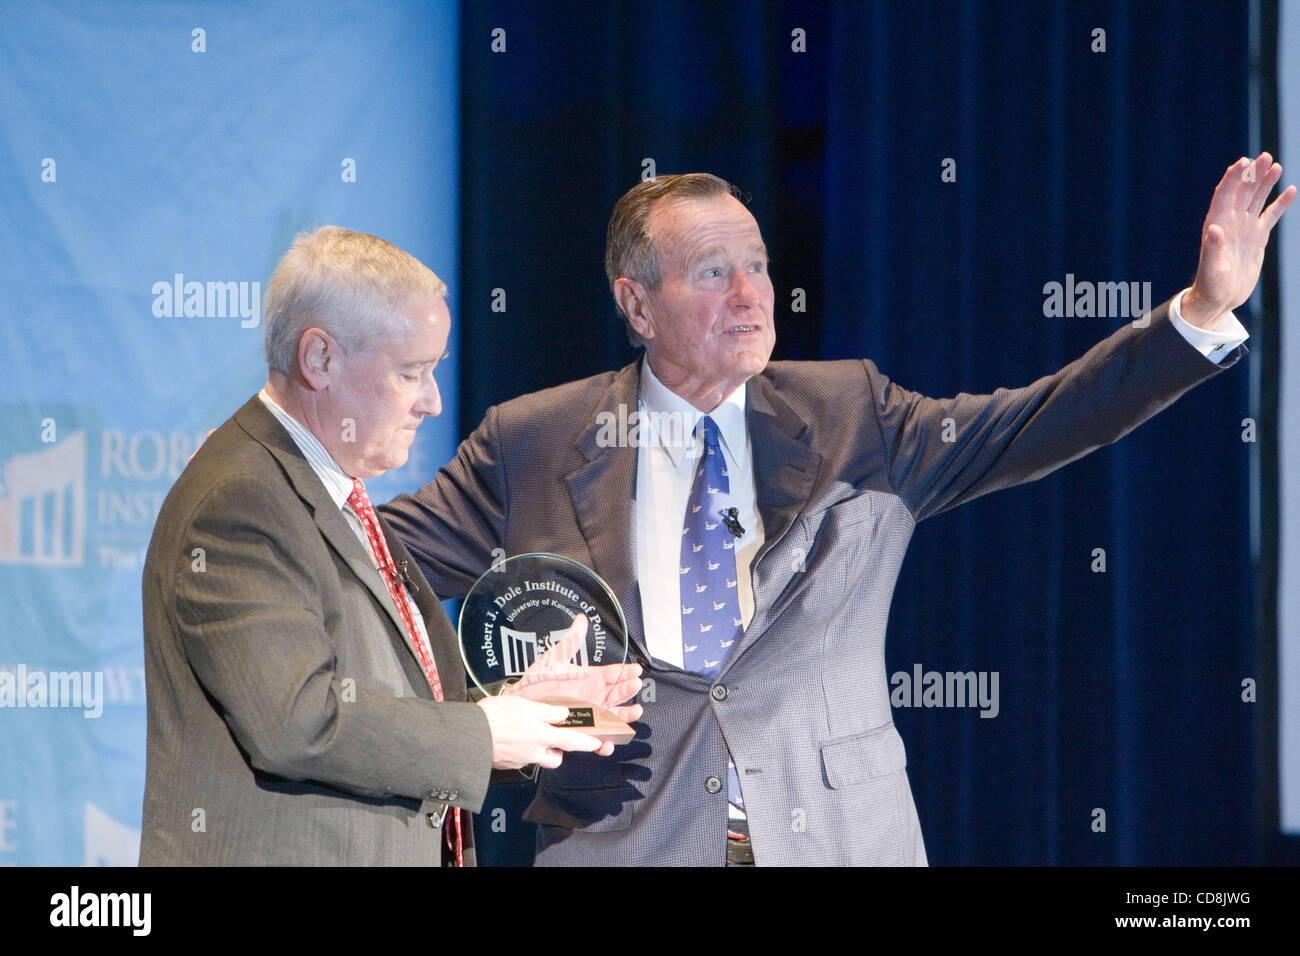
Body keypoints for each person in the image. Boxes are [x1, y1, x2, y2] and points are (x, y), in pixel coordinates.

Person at [381, 157, 1295, 865]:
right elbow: (369, 561)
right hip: (625, 839)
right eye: (711, 274)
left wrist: (1201, 311)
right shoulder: (535, 440)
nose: (750, 295)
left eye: (757, 265)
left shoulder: (851, 414)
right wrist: (488, 709)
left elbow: (1038, 422)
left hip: (838, 837)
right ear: (636, 303)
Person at [139, 226, 641, 866]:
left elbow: (382, 700)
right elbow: (297, 721)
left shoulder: (328, 490)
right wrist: (482, 734)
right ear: (319, 358)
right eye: (411, 373)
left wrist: (513, 708)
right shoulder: (242, 499)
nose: (432, 402)